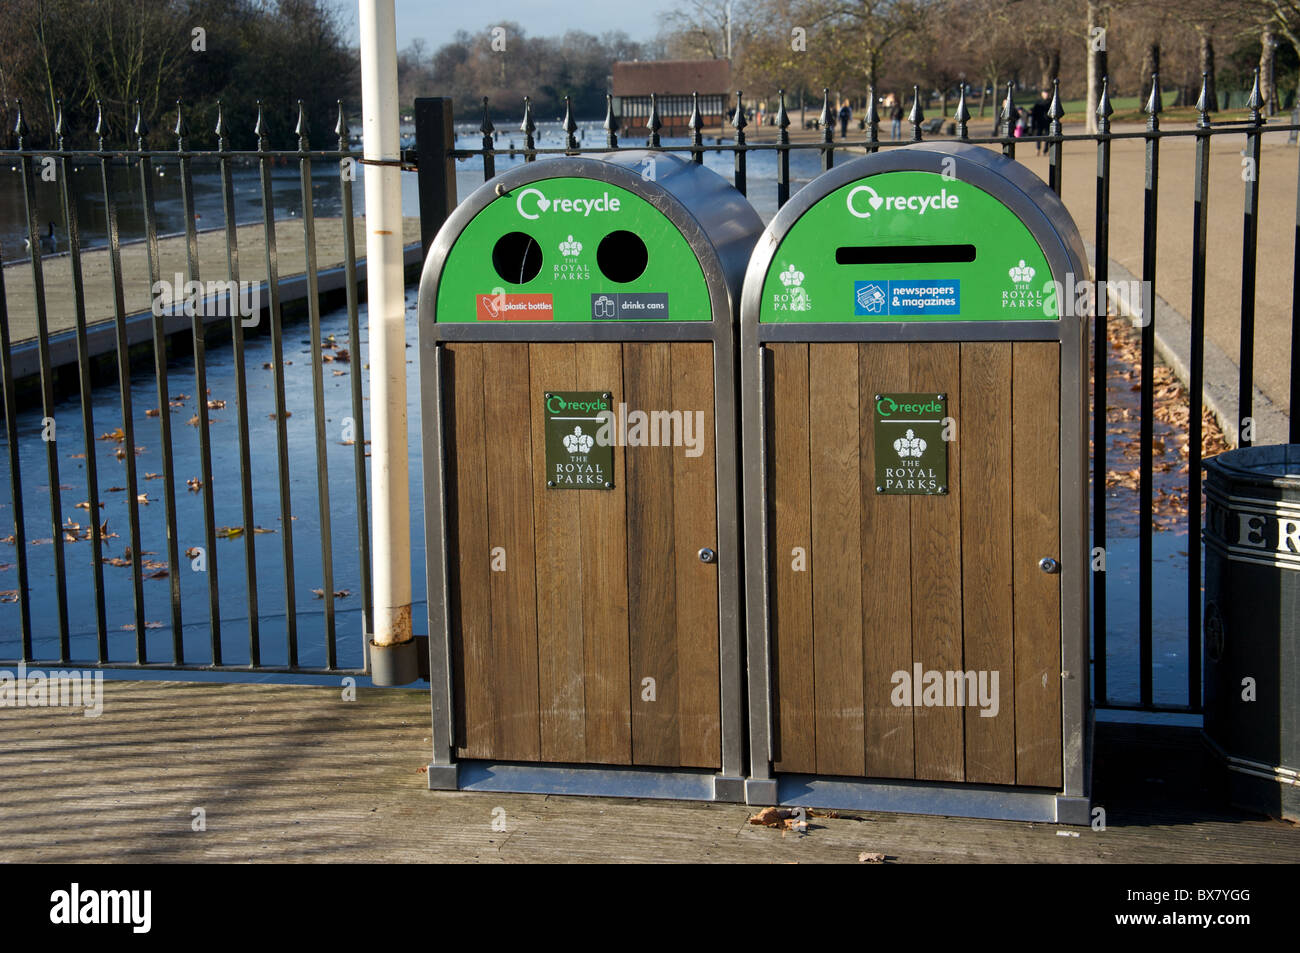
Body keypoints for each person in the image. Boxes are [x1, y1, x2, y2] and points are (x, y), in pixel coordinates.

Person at [1030, 89, 1051, 154]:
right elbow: (1034, 112)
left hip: (1047, 121)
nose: (1046, 95)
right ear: (1042, 95)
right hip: (1039, 121)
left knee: (1048, 136)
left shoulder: (1050, 102)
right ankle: (1038, 148)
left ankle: (1045, 150)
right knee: (1038, 135)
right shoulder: (1038, 103)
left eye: (1047, 94)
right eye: (1045, 94)